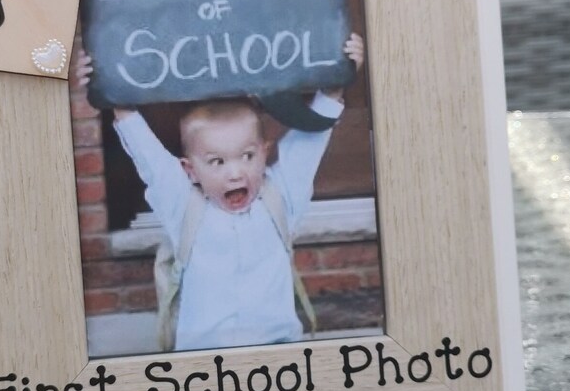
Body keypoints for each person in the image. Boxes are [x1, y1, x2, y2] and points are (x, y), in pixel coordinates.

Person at [74, 34, 365, 351]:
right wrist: (112, 89)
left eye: (248, 156)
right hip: (203, 363)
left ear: (264, 152)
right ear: (190, 170)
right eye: (217, 161)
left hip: (280, 355)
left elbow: (309, 144)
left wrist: (336, 81)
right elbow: (150, 158)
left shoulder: (280, 196)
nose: (236, 172)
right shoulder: (183, 207)